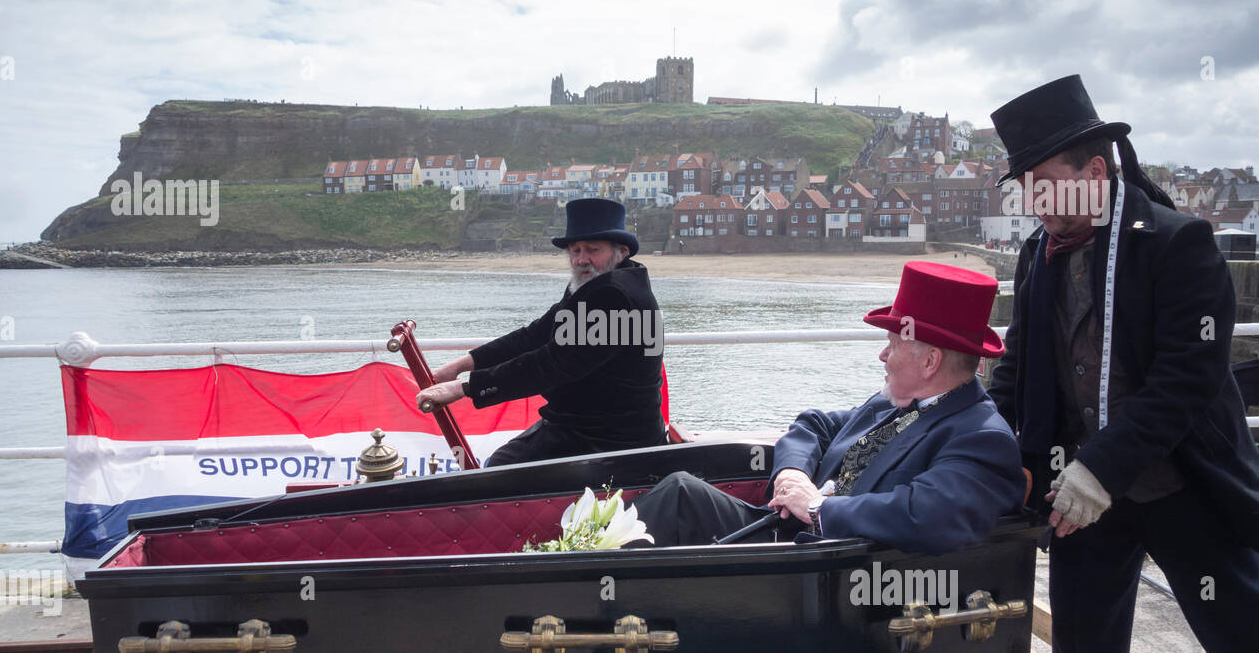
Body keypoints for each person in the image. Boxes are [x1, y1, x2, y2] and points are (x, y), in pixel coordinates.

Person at [986, 74, 1259, 653]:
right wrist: (972, 444)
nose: (1033, 202)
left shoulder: (1178, 243)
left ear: (1096, 170)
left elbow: (1186, 379)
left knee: (1245, 635)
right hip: (1079, 499)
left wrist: (1102, 467)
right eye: (1026, 188)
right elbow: (1016, 372)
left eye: (1044, 183)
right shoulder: (1037, 257)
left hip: (1184, 487)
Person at [630, 261, 1025, 552]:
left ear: (930, 362)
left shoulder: (980, 437)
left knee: (678, 500)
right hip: (786, 537)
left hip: (823, 571)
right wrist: (791, 474)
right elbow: (814, 424)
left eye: (893, 343)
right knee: (682, 493)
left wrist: (818, 508)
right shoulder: (894, 401)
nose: (883, 355)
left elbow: (928, 514)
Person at [416, 197, 666, 466]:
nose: (582, 259)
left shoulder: (613, 295)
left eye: (593, 249)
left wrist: (465, 387)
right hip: (581, 423)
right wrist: (462, 364)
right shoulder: (599, 282)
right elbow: (535, 334)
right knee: (496, 464)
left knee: (498, 470)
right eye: (575, 250)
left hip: (610, 440)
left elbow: (552, 364)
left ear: (622, 251)